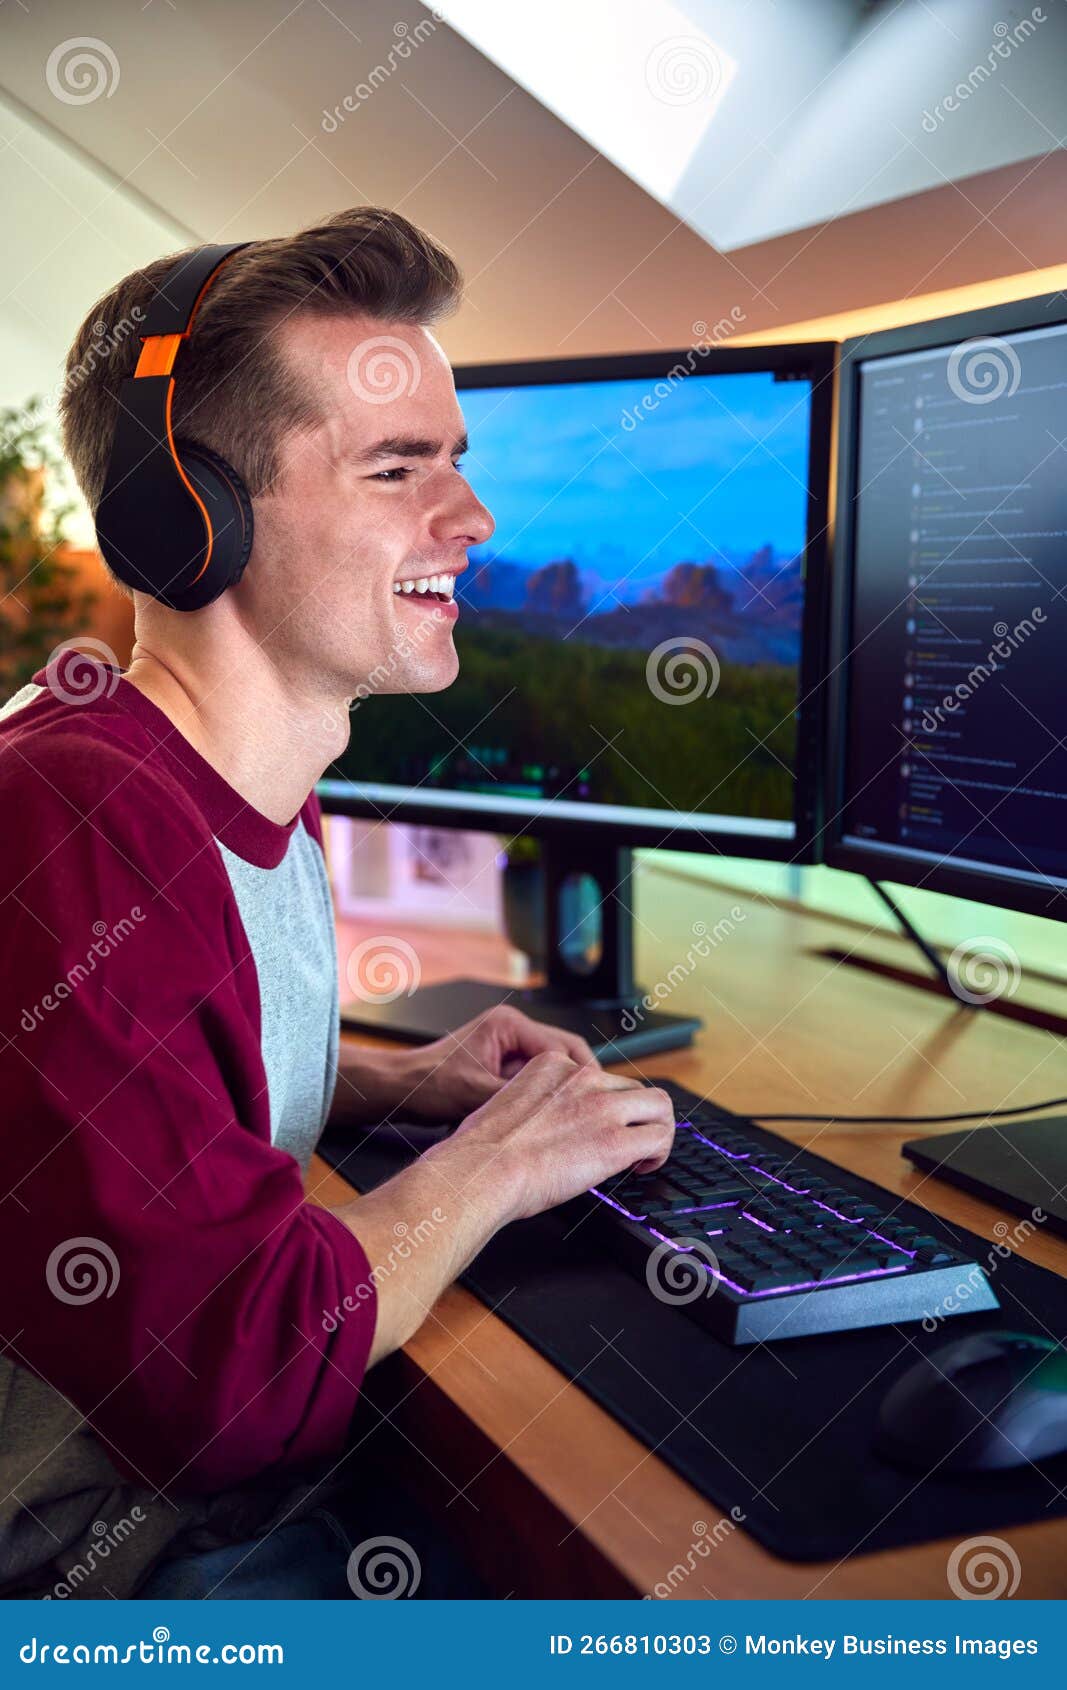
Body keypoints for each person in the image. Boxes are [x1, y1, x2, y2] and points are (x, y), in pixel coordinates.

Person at [0, 208, 675, 1599]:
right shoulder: (69, 816)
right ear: (188, 518)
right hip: (106, 1575)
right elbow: (230, 1377)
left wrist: (396, 1082)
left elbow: (132, 1082)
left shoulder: (236, 779)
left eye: (457, 466)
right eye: (395, 468)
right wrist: (496, 1163)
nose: (470, 519)